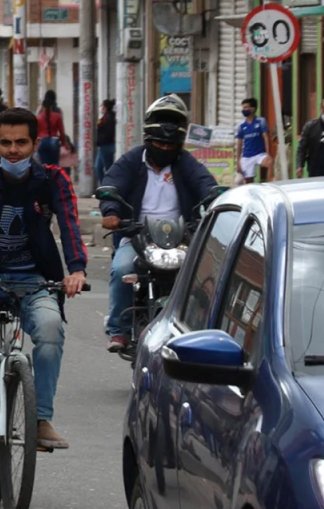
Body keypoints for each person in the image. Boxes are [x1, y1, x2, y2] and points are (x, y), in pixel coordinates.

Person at [0, 108, 86, 453]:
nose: (13, 150)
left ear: (35, 143)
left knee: (51, 329)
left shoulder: (53, 180)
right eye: (5, 143)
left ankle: (41, 420)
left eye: (21, 143)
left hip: (35, 280)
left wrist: (77, 268)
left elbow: (69, 224)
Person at [99, 95, 219, 353]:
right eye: (158, 143)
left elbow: (205, 184)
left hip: (181, 237)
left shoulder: (185, 162)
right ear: (147, 138)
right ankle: (117, 330)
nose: (163, 149)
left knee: (204, 277)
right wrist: (111, 212)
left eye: (169, 145)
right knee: (121, 270)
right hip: (137, 235)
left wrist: (216, 198)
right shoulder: (132, 160)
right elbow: (112, 184)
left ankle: (199, 329)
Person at [236, 98, 270, 184]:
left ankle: (270, 183)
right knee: (248, 181)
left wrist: (268, 154)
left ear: (253, 109)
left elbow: (266, 137)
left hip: (259, 154)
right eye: (243, 108)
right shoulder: (241, 126)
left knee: (270, 163)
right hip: (247, 156)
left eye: (246, 107)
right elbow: (239, 144)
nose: (244, 110)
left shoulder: (261, 121)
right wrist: (238, 162)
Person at [36, 90, 71, 167]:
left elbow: (36, 130)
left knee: (44, 165)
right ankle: (54, 178)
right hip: (54, 140)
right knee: (55, 165)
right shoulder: (57, 115)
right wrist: (64, 143)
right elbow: (61, 131)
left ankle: (46, 177)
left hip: (42, 141)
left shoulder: (38, 116)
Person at [94, 100, 117, 187]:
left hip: (107, 145)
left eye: (102, 106)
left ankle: (109, 187)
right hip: (102, 146)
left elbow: (109, 132)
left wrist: (102, 140)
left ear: (106, 107)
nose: (101, 108)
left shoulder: (110, 118)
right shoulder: (105, 117)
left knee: (108, 168)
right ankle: (103, 186)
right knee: (98, 167)